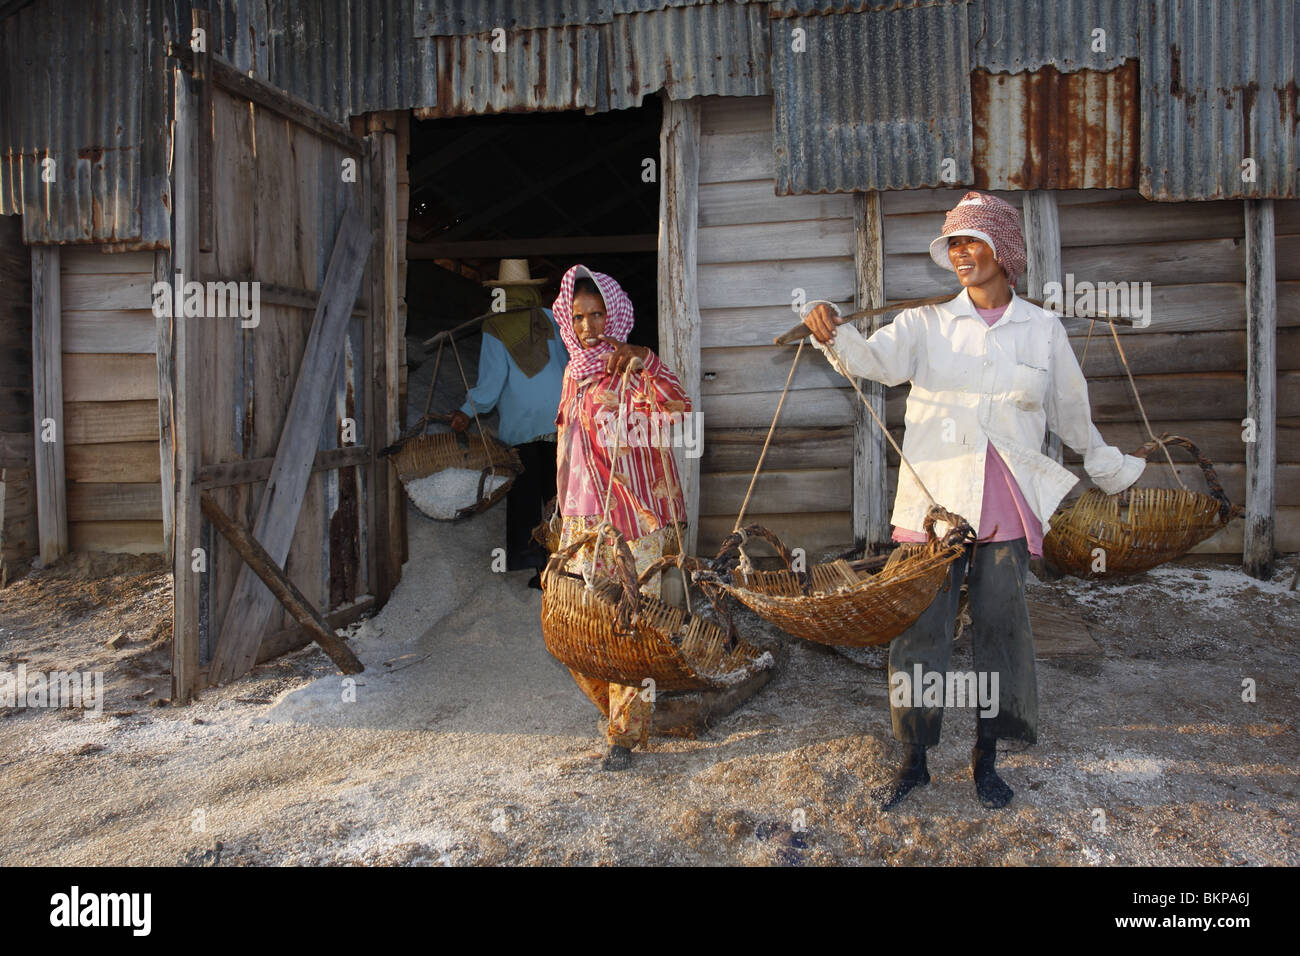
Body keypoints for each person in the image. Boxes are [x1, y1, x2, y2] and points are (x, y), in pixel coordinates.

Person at [802, 191, 1146, 811]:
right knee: (919, 630)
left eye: (972, 241)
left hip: (1006, 506)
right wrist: (835, 332)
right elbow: (873, 363)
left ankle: (988, 755)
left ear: (1004, 251)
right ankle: (914, 757)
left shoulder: (1041, 331)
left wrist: (1106, 465)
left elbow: (1071, 410)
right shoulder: (926, 324)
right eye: (953, 243)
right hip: (934, 508)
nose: (961, 254)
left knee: (1001, 629)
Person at [551, 264, 691, 772]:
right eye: (579, 315)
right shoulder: (573, 373)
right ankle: (618, 711)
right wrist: (562, 511)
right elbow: (567, 447)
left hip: (640, 515)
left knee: (634, 625)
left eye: (598, 313)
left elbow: (680, 411)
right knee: (584, 624)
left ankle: (624, 735)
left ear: (616, 312)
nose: (589, 326)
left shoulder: (633, 366)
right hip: (585, 520)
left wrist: (650, 364)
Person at [450, 259, 569, 587]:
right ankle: (566, 567)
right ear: (531, 291)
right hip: (561, 418)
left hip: (523, 424)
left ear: (500, 293)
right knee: (557, 494)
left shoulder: (496, 326)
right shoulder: (551, 319)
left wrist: (465, 411)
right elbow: (570, 363)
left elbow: (491, 385)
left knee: (526, 495)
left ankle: (539, 569)